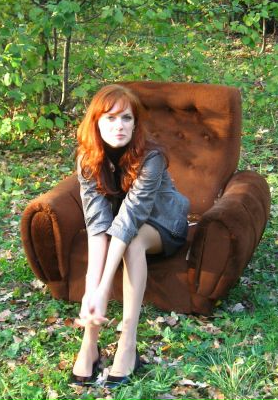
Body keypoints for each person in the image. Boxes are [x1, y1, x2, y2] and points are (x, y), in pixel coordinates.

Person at [71, 84, 190, 387]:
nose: (119, 126)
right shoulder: (87, 159)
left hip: (165, 223)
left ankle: (128, 342)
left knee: (132, 240)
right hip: (123, 225)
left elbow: (129, 221)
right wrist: (91, 291)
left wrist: (103, 289)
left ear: (136, 123)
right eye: (110, 118)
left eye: (126, 118)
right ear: (96, 123)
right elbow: (97, 226)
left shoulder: (151, 157)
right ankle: (90, 344)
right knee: (115, 239)